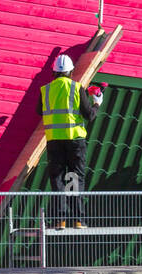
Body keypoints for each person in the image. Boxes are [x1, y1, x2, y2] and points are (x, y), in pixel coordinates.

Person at [38, 54, 98, 228]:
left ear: (54, 72)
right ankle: (78, 220)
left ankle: (60, 220)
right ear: (71, 72)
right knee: (75, 178)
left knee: (57, 180)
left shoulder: (46, 89)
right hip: (74, 141)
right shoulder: (76, 88)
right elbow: (89, 116)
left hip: (54, 141)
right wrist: (97, 103)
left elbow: (38, 111)